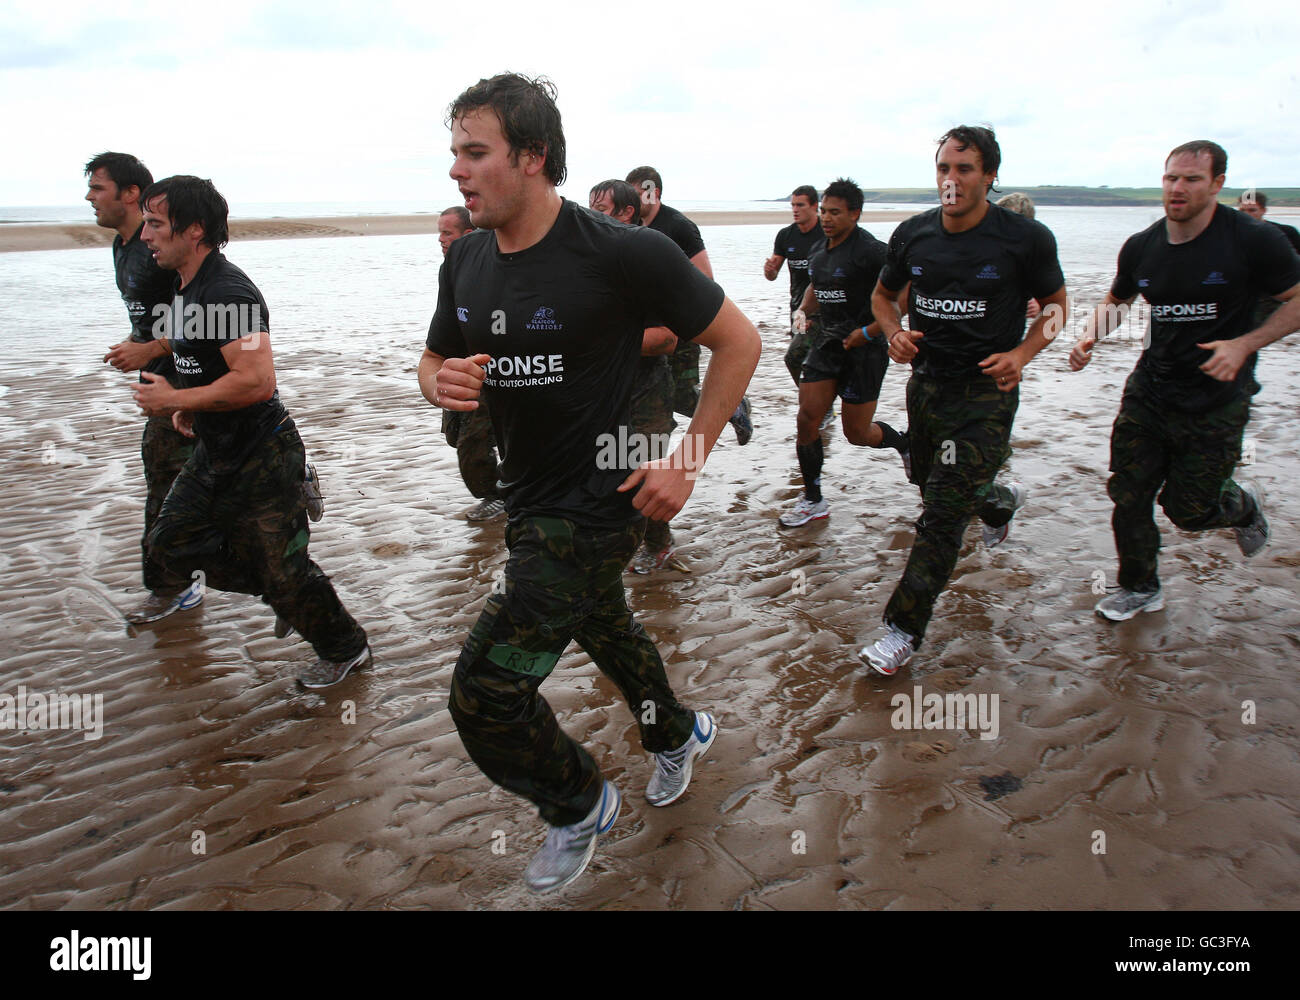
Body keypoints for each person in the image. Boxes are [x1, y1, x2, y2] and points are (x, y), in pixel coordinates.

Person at [422, 74, 760, 893]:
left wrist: (686, 458)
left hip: (601, 498)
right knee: (605, 623)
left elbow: (739, 341)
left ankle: (579, 804)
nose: (458, 173)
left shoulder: (621, 251)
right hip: (528, 494)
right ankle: (676, 732)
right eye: (454, 154)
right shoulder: (466, 258)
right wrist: (440, 383)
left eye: (476, 153)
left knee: (485, 691)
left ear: (533, 158)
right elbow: (431, 357)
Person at [131, 175, 370, 688]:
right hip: (215, 449)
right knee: (171, 545)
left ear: (193, 229)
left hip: (264, 452)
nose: (145, 235)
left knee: (283, 573)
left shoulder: (227, 289)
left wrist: (173, 397)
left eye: (154, 224)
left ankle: (345, 647)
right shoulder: (187, 286)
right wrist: (195, 408)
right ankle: (290, 593)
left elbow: (257, 381)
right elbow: (209, 366)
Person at [860, 126, 1068, 675]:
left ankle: (901, 631)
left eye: (964, 169)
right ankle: (1000, 499)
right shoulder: (912, 235)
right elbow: (883, 296)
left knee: (942, 513)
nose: (951, 181)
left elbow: (1055, 306)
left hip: (986, 391)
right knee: (932, 482)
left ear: (991, 176)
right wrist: (893, 331)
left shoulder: (1024, 239)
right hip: (927, 386)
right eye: (943, 170)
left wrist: (1022, 355)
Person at [1069, 141, 1300, 621]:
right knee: (1128, 491)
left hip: (1216, 398)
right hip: (1150, 391)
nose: (1178, 188)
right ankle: (1139, 586)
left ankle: (1241, 506)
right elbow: (1117, 300)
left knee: (1189, 511)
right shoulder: (1142, 246)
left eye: (1192, 179)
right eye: (1171, 177)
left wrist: (1244, 344)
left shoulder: (1252, 240)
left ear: (1217, 184)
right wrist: (1088, 337)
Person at [88, 152, 204, 623]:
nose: (90, 197)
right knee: (179, 476)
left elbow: (202, 313)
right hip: (159, 375)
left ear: (130, 193)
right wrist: (136, 344)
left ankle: (171, 586)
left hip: (186, 377)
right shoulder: (123, 246)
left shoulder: (159, 247)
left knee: (164, 476)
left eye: (98, 187)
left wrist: (149, 349)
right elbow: (155, 315)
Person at [778, 177, 909, 528]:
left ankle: (904, 444)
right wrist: (802, 313)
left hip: (866, 351)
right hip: (828, 344)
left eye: (835, 212)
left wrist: (870, 331)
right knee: (807, 419)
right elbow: (816, 289)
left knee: (858, 433)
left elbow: (903, 294)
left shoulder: (872, 252)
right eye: (823, 211)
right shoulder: (819, 251)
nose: (826, 218)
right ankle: (813, 499)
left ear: (855, 214)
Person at [588, 178, 688, 574]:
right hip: (606, 390)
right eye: (589, 207)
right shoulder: (592, 261)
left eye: (600, 209)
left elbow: (667, 339)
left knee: (644, 473)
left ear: (627, 213)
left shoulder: (649, 260)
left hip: (650, 390)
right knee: (608, 471)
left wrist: (603, 341)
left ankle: (660, 544)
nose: (590, 217)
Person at [626, 165, 754, 445]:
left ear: (653, 193)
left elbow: (706, 278)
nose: (632, 203)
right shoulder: (633, 226)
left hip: (678, 328)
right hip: (650, 325)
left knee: (681, 395)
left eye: (636, 196)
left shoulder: (678, 226)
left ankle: (732, 406)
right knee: (657, 394)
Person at [436, 206, 505, 522]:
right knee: (457, 437)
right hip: (469, 371)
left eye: (446, 233)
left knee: (476, 443)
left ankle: (499, 495)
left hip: (506, 373)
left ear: (468, 234)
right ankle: (501, 490)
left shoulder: (499, 260)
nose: (440, 239)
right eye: (439, 232)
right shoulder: (452, 267)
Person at [765, 185, 826, 387]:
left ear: (815, 206)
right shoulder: (786, 235)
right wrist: (769, 270)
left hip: (825, 311)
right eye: (793, 205)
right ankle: (815, 402)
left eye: (800, 205)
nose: (795, 209)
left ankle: (818, 404)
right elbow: (772, 275)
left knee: (797, 355)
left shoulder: (826, 233)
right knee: (798, 358)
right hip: (798, 311)